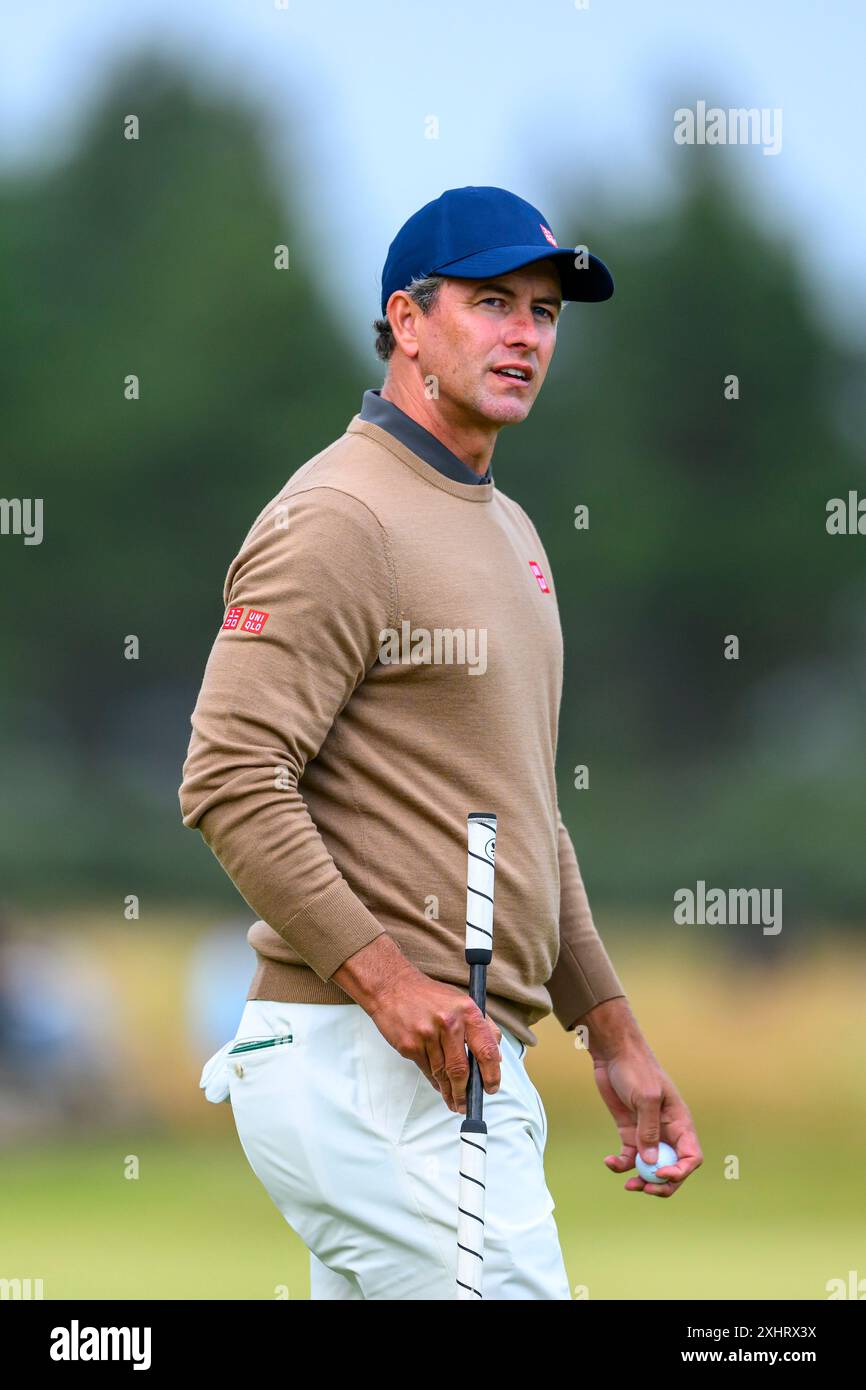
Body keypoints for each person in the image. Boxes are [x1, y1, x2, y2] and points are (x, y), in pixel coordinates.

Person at [179, 185, 702, 1300]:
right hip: (368, 1058)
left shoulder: (506, 527)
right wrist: (385, 986)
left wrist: (608, 1031)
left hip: (454, 1059)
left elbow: (521, 808)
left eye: (544, 312)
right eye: (491, 302)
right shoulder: (340, 516)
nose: (524, 333)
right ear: (405, 321)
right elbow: (228, 777)